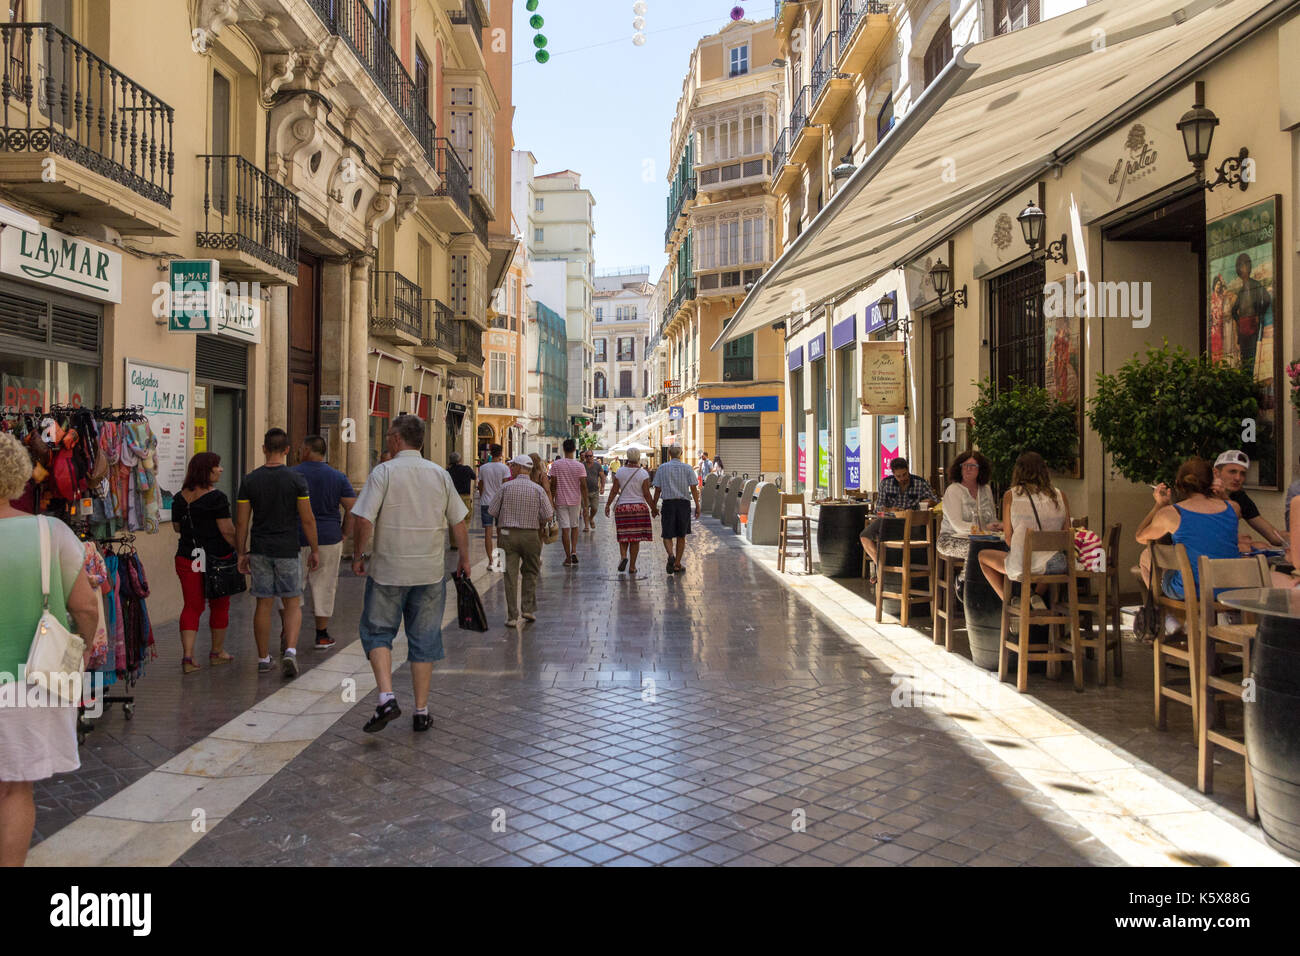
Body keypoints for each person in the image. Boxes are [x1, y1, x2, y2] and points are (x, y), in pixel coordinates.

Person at [0, 432, 100, 866]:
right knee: (16, 788)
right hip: (29, 683)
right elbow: (83, 606)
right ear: (19, 476)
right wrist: (85, 648)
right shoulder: (50, 532)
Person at [351, 414, 470, 734]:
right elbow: (458, 521)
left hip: (388, 570)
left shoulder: (383, 473)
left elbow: (363, 519)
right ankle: (421, 710)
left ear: (395, 439)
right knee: (425, 639)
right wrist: (464, 559)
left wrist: (359, 554)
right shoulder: (439, 475)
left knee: (377, 632)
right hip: (429, 572)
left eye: (390, 434)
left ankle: (386, 697)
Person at [235, 428, 320, 679]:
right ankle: (290, 651)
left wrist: (241, 552)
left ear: (263, 449)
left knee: (263, 603)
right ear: (286, 450)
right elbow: (307, 520)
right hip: (287, 548)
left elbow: (241, 523)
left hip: (260, 549)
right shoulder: (296, 480)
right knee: (292, 602)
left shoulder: (249, 481)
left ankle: (263, 658)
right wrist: (314, 549)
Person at [1136, 457, 1240, 601]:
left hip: (1191, 590)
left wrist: (1159, 505)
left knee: (1146, 556)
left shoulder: (1172, 513)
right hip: (1231, 588)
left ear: (1179, 485)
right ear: (1211, 483)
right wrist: (1222, 494)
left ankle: (1164, 615)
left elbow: (1140, 536)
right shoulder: (1233, 508)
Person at [978, 451, 1072, 606]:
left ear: (1018, 471)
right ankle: (1034, 597)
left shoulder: (1011, 496)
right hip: (1057, 564)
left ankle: (1013, 604)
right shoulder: (1061, 495)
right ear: (1044, 470)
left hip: (1024, 564)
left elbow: (1008, 540)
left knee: (983, 556)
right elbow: (1066, 533)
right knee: (1044, 563)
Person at [172, 452, 237, 673]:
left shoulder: (179, 498)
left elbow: (177, 528)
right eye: (216, 466)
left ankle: (188, 657)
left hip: (187, 556)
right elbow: (227, 531)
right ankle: (217, 652)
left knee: (192, 605)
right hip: (215, 557)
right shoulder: (216, 498)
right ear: (205, 470)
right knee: (220, 604)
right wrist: (242, 549)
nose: (220, 470)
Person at [293, 436, 356, 650]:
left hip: (296, 537)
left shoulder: (292, 474)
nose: (299, 451)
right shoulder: (337, 477)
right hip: (328, 538)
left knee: (292, 588)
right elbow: (351, 508)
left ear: (308, 450)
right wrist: (344, 534)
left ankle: (288, 633)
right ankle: (321, 635)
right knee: (325, 585)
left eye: (301, 448)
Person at [491, 454, 555, 626]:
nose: (510, 468)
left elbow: (492, 510)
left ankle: (512, 616)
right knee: (531, 572)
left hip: (507, 536)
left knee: (509, 575)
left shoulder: (506, 487)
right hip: (531, 536)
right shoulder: (538, 489)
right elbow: (548, 515)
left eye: (513, 466)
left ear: (519, 468)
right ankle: (527, 609)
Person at [860, 457, 940, 577]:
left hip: (914, 524)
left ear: (908, 470)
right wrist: (890, 509)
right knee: (864, 537)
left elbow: (936, 501)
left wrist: (928, 502)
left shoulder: (920, 483)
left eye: (904, 474)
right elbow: (878, 509)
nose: (902, 478)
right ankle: (880, 568)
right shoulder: (886, 483)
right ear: (893, 474)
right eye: (898, 476)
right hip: (890, 520)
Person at [1211, 450, 1285, 549]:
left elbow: (1274, 537)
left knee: (1262, 547)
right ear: (1216, 473)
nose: (1238, 478)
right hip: (1201, 553)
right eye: (1232, 472)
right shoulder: (1203, 492)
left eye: (1242, 473)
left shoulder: (1239, 497)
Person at [937, 450, 1001, 561]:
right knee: (979, 549)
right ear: (959, 468)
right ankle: (964, 578)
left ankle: (990, 578)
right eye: (965, 465)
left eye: (972, 465)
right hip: (951, 538)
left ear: (980, 469)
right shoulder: (953, 490)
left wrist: (998, 526)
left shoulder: (986, 489)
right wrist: (984, 528)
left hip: (983, 538)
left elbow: (992, 519)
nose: (968, 469)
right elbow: (957, 526)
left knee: (1005, 546)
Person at [651, 445, 700, 575]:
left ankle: (671, 555)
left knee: (667, 534)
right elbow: (694, 488)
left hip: (668, 504)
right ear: (681, 454)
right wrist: (698, 505)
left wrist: (654, 506)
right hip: (683, 504)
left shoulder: (662, 468)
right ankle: (677, 564)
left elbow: (657, 489)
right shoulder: (688, 468)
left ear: (669, 454)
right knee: (681, 535)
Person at [606, 449, 655, 575]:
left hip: (623, 508)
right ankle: (632, 566)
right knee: (635, 539)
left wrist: (607, 505)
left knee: (623, 535)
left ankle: (623, 557)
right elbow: (646, 494)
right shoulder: (643, 473)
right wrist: (653, 508)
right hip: (639, 508)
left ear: (627, 457)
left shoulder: (620, 471)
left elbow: (614, 490)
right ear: (638, 458)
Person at [549, 438, 590, 566]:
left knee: (565, 529)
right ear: (574, 450)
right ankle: (574, 551)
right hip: (576, 500)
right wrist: (586, 504)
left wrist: (552, 500)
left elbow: (553, 484)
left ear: (563, 449)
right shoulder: (579, 466)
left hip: (561, 500)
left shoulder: (556, 465)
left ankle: (567, 557)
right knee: (575, 526)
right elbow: (583, 486)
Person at [1231, 252, 1270, 375]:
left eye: (1245, 266)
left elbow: (1267, 299)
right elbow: (1234, 310)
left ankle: (1250, 378)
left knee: (1252, 354)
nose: (1243, 269)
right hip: (1243, 326)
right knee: (1244, 356)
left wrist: (1258, 314)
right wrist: (1239, 321)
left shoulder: (1255, 285)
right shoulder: (1241, 290)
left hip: (1252, 323)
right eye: (1241, 267)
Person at [476, 444, 510, 562]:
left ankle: (491, 560)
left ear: (490, 453)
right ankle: (500, 560)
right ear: (501, 454)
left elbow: (480, 485)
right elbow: (505, 485)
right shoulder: (504, 468)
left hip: (486, 502)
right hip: (499, 503)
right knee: (501, 533)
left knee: (488, 532)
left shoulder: (484, 468)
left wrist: (482, 496)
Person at [446, 452, 476, 521]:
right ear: (460, 460)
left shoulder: (448, 471)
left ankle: (453, 532)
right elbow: (474, 477)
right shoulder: (467, 469)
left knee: (453, 520)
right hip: (465, 497)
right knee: (466, 520)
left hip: (453, 498)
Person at [582, 450, 604, 531]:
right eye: (587, 456)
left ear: (593, 456)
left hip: (595, 491)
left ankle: (591, 518)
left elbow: (602, 477)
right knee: (585, 509)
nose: (588, 458)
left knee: (595, 508)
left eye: (590, 456)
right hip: (584, 492)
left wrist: (602, 487)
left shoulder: (597, 465)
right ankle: (586, 526)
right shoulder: (582, 465)